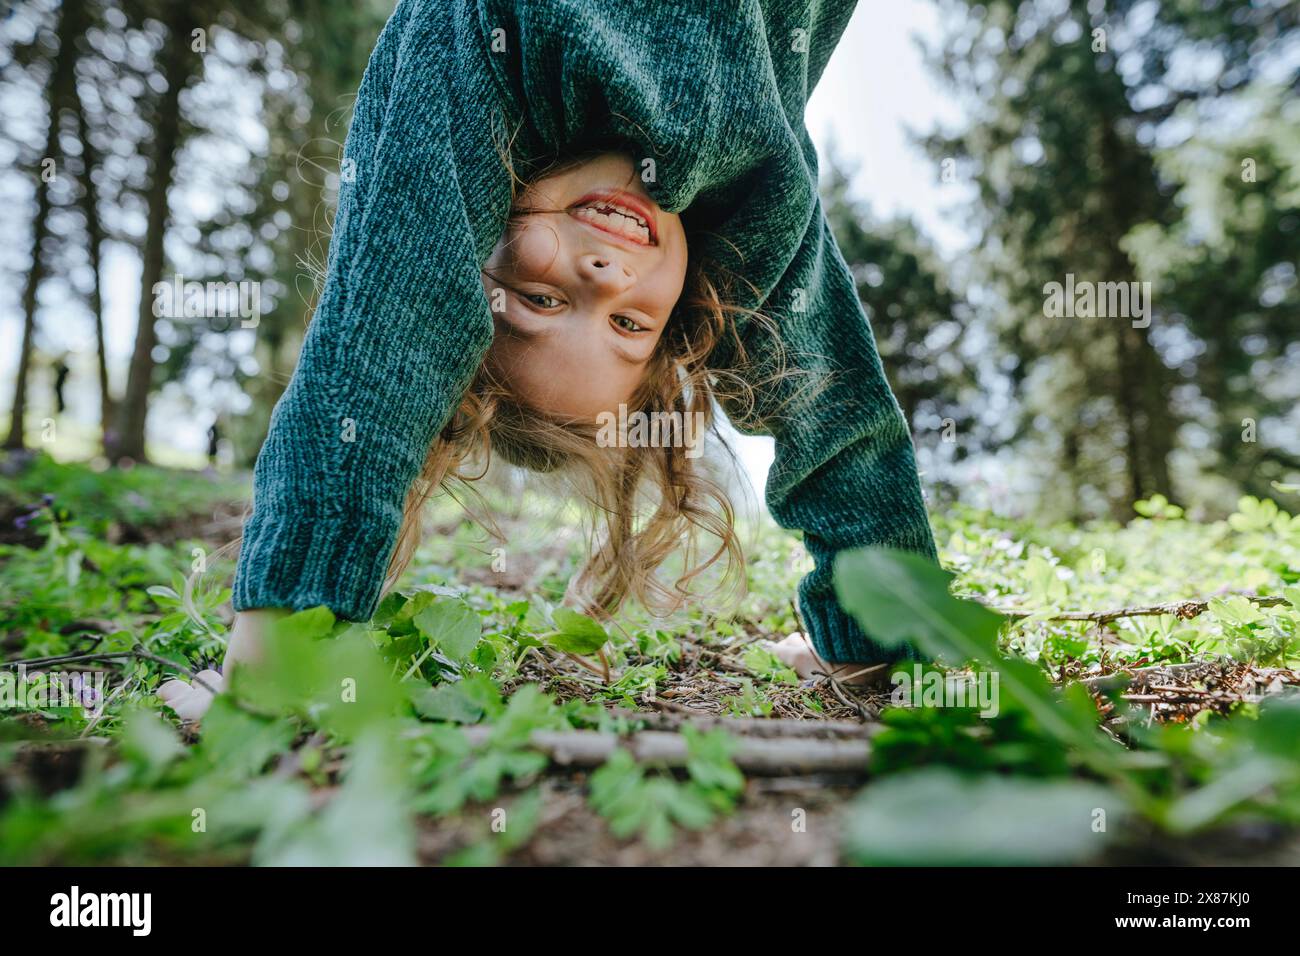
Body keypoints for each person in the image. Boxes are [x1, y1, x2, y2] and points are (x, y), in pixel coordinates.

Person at [160, 0, 937, 720]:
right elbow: (836, 421)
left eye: (538, 301)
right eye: (630, 323)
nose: (604, 280)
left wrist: (277, 654)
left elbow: (393, 320)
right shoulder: (750, 197)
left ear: (476, 231)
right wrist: (888, 634)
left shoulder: (487, 47)